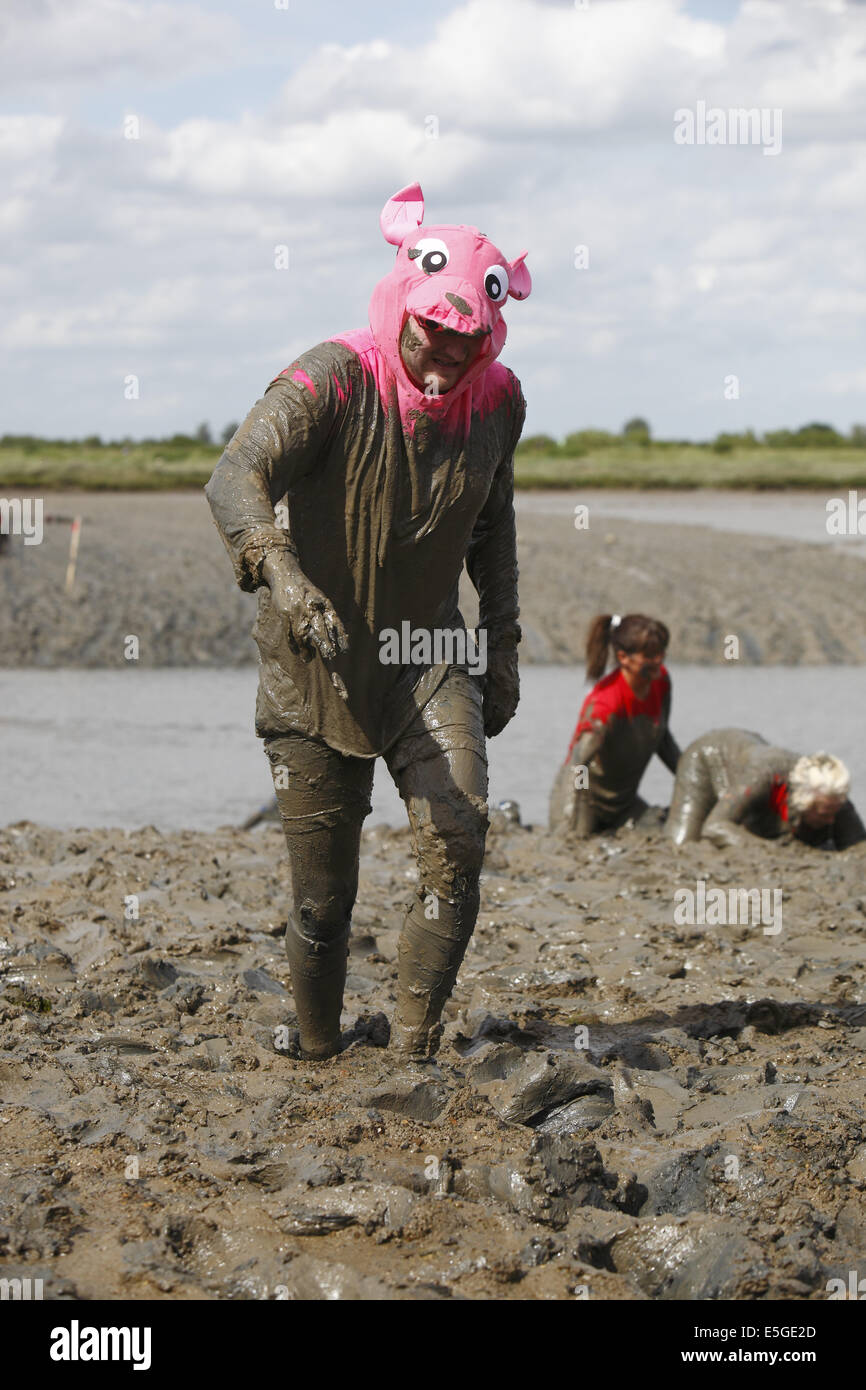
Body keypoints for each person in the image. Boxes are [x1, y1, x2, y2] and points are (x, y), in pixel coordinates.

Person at [205, 182, 531, 1063]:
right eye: (432, 332)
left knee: (458, 842)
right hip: (312, 660)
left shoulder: (499, 404)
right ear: (402, 307)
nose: (445, 356)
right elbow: (234, 476)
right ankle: (316, 1050)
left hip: (425, 655)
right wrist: (282, 576)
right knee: (322, 899)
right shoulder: (330, 379)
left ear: (489, 337)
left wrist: (502, 647)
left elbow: (493, 528)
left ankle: (414, 1051)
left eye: (468, 341)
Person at [549, 612, 680, 837]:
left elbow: (662, 740)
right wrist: (569, 820)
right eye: (649, 655)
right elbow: (578, 764)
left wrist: (690, 780)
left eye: (661, 652)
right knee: (574, 842)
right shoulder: (607, 703)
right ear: (624, 657)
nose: (659, 660)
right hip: (583, 799)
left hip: (624, 803)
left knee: (663, 831)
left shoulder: (661, 682)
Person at [667, 729, 866, 849]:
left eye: (834, 813)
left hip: (753, 751)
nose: (832, 820)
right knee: (680, 844)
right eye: (823, 814)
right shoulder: (764, 777)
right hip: (709, 756)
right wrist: (769, 852)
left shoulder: (833, 797)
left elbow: (858, 847)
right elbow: (715, 826)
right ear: (804, 801)